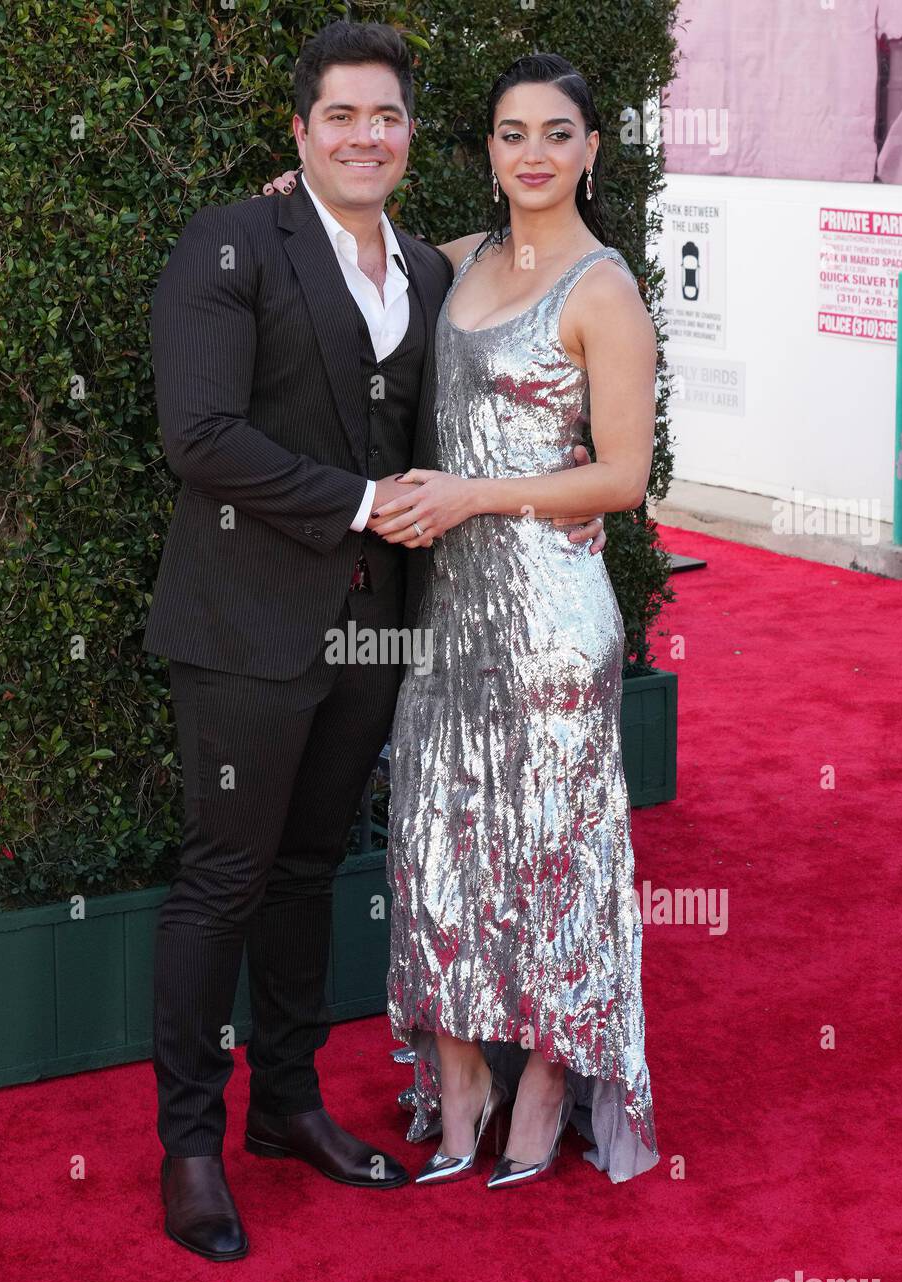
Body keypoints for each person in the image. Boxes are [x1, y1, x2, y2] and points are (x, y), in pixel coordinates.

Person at [144, 21, 607, 1260]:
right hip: (243, 624)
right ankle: (190, 1145)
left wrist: (560, 465)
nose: (364, 135)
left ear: (408, 136)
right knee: (223, 881)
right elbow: (198, 433)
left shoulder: (428, 263)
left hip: (373, 631)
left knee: (305, 873)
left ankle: (286, 1107)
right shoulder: (231, 240)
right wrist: (361, 502)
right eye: (339, 115)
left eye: (386, 116)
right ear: (298, 133)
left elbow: (498, 368)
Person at [369, 54, 662, 1187]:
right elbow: (355, 257)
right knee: (436, 847)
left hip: (549, 624)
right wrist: (292, 199)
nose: (530, 153)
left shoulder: (600, 288)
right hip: (447, 622)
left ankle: (548, 1078)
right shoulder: (455, 260)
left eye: (555, 132)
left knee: (553, 858)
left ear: (591, 149)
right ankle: (460, 1082)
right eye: (508, 133)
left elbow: (625, 477)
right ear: (487, 151)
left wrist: (472, 495)